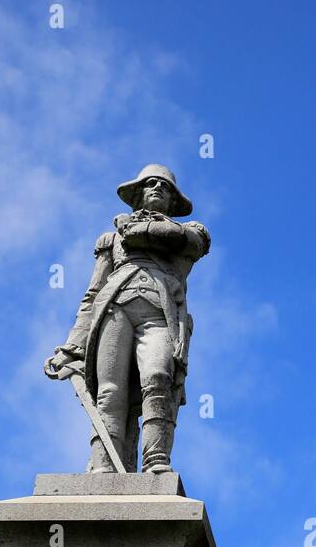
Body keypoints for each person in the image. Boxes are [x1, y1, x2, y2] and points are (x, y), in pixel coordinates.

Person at [45, 164, 210, 472]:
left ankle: (156, 461)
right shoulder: (111, 240)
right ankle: (104, 465)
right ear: (138, 193)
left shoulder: (191, 233)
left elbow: (177, 239)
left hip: (160, 312)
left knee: (158, 377)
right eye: (150, 183)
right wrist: (72, 346)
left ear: (174, 200)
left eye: (165, 185)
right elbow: (92, 295)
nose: (158, 187)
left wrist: (134, 230)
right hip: (114, 308)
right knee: (109, 392)